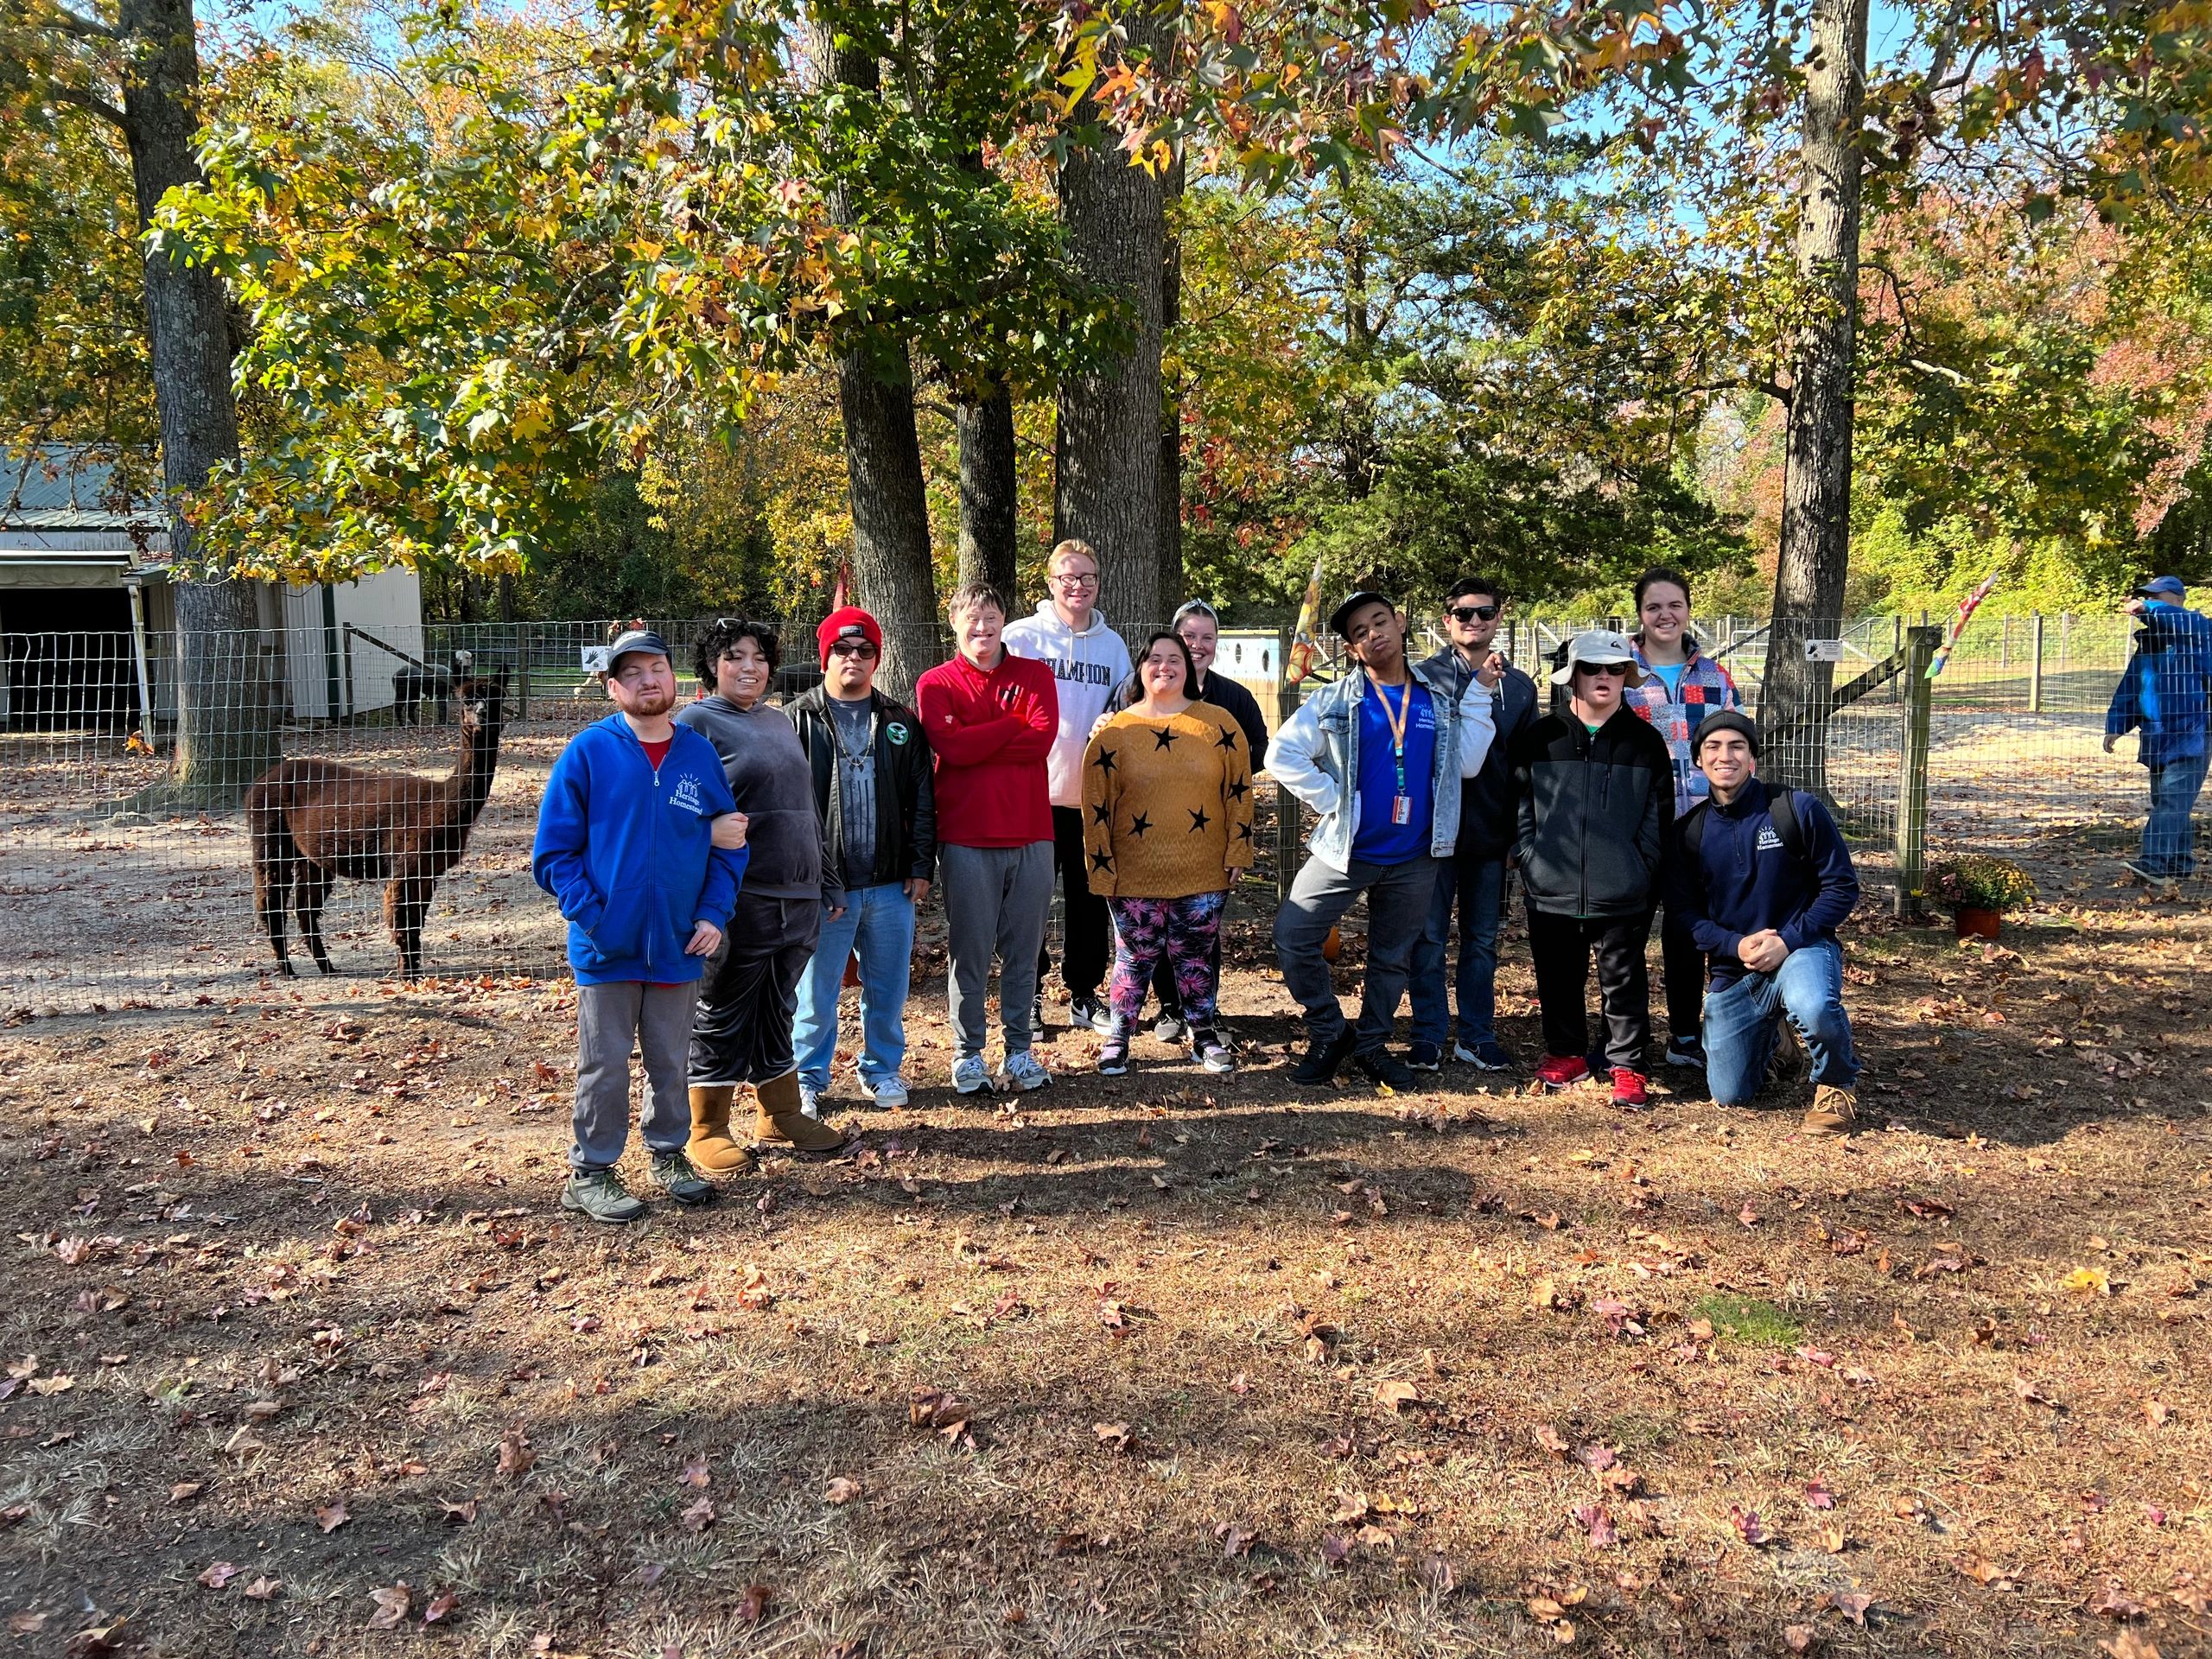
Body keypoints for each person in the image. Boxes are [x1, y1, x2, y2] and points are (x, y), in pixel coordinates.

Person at [531, 629, 750, 1222]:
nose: (647, 680)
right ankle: (591, 1171)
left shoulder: (698, 755)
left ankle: (669, 1155)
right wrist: (593, 916)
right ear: (613, 687)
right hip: (607, 946)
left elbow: (730, 843)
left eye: (656, 668)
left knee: (671, 1059)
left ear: (674, 678)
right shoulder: (588, 753)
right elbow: (553, 855)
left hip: (679, 942)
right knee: (604, 1064)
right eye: (632, 673)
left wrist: (712, 913)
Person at [1268, 589, 1493, 1088]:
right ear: (1352, 649)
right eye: (1360, 632)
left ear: (1400, 622)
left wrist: (1478, 696)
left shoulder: (1436, 699)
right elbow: (1281, 754)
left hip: (1416, 856)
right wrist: (1334, 799)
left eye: (1379, 621)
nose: (1373, 634)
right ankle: (1330, 1031)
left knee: (1392, 958)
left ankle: (1371, 1044)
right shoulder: (1335, 700)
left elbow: (1466, 763)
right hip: (1346, 851)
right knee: (1294, 934)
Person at [678, 618, 843, 1160]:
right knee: (723, 1009)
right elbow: (679, 814)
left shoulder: (778, 722)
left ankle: (780, 1114)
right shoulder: (696, 724)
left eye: (759, 657)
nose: (749, 667)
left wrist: (826, 876)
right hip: (740, 899)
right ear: (712, 667)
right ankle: (707, 1127)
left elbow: (806, 808)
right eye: (734, 657)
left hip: (799, 897)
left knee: (779, 1008)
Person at [1669, 712, 1863, 1133]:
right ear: (1698, 760)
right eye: (1713, 747)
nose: (1725, 756)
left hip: (1801, 950)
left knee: (1814, 1006)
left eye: (1737, 747)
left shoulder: (1796, 809)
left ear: (1752, 758)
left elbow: (1841, 886)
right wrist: (1734, 945)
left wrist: (1789, 940)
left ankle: (1836, 1084)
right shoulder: (1689, 833)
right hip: (1735, 968)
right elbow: (1685, 915)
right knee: (1730, 1094)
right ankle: (1777, 1045)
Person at [1512, 629, 1674, 1109]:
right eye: (1592, 668)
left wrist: (1641, 867)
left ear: (1626, 676)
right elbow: (1521, 806)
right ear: (1572, 675)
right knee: (1557, 975)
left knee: (1624, 979)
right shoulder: (1540, 737)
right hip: (1551, 885)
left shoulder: (1646, 742)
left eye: (1615, 668)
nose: (1604, 677)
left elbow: (1657, 816)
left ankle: (1627, 1063)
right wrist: (1530, 857)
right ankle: (1566, 1053)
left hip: (1623, 888)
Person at [1082, 631, 1255, 1077]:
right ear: (1140, 669)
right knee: (1134, 957)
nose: (1165, 666)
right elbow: (1096, 806)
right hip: (1133, 872)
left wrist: (1239, 848)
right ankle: (1119, 1036)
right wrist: (1100, 867)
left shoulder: (1220, 725)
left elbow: (1239, 792)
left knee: (1195, 956)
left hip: (1204, 870)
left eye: (1174, 658)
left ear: (1188, 668)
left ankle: (1203, 1035)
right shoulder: (1115, 732)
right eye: (1155, 658)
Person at [787, 607, 936, 1112]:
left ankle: (882, 1069)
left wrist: (920, 865)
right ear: (824, 656)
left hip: (891, 881)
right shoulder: (796, 719)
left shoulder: (900, 722)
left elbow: (922, 799)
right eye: (842, 649)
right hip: (826, 884)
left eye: (864, 649)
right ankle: (807, 1078)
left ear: (876, 658)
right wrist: (804, 874)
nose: (853, 657)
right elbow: (785, 806)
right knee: (816, 991)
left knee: (888, 988)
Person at [915, 582, 1059, 1095]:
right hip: (967, 836)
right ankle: (968, 1053)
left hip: (1031, 833)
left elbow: (1040, 740)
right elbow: (951, 749)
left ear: (1003, 622)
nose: (982, 628)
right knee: (970, 950)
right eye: (972, 619)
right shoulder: (935, 683)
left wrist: (976, 736)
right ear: (955, 623)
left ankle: (1019, 1050)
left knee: (1025, 950)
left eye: (991, 618)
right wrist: (1011, 723)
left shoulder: (1035, 675)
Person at [1003, 538, 1135, 1035]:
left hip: (1091, 798)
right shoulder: (1021, 637)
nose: (1078, 586)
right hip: (1031, 796)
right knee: (1028, 904)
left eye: (1088, 578)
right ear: (1051, 582)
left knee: (1088, 902)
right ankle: (1028, 994)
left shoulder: (1113, 645)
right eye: (1069, 578)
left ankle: (1083, 994)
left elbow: (1126, 708)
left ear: (1098, 583)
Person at [1408, 576, 1538, 1073]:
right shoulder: (1421, 679)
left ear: (1499, 618)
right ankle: (1427, 1034)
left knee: (1482, 941)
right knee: (1428, 938)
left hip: (1490, 836)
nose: (1475, 621)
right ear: (1447, 621)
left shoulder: (1519, 687)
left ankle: (1477, 1035)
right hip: (1431, 835)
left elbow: (1525, 770)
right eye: (1464, 613)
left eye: (1485, 612)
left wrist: (1518, 836)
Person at [1623, 566, 1743, 1071]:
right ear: (1640, 614)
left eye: (1674, 605)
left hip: (1700, 828)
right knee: (1625, 935)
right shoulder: (1619, 672)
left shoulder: (1715, 677)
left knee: (1688, 933)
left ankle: (1686, 1035)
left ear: (1688, 610)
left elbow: (1737, 748)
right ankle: (1622, 1040)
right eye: (1654, 607)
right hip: (1635, 827)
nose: (1664, 615)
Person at [2105, 575, 2212, 887]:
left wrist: (2146, 608)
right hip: (2156, 733)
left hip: (2192, 732)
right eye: (2147, 597)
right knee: (2167, 800)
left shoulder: (2198, 628)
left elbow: (2178, 619)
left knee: (2172, 801)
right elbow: (2132, 685)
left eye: (2156, 596)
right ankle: (2180, 864)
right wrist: (2116, 726)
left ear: (2177, 599)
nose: (2149, 601)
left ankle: (2152, 863)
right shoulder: (2150, 644)